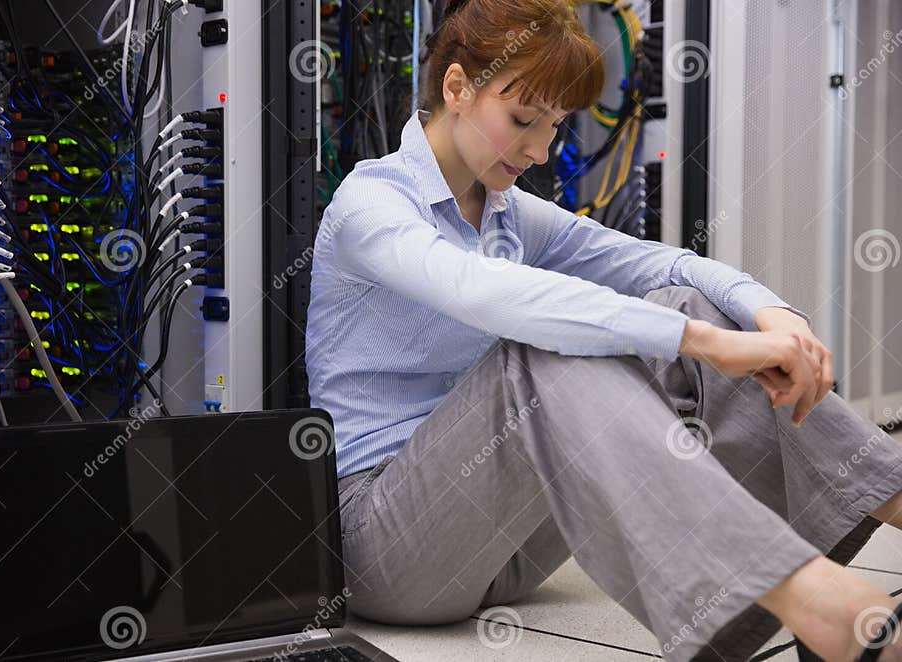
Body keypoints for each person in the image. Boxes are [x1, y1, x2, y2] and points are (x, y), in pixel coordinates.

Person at [304, 1, 902, 659]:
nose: (539, 150)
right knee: (540, 354)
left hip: (504, 549)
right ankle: (816, 602)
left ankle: (891, 498)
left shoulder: (508, 215)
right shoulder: (371, 205)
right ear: (456, 87)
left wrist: (771, 314)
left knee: (679, 302)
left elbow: (667, 264)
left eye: (555, 127)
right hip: (386, 547)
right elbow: (482, 292)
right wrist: (707, 344)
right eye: (523, 120)